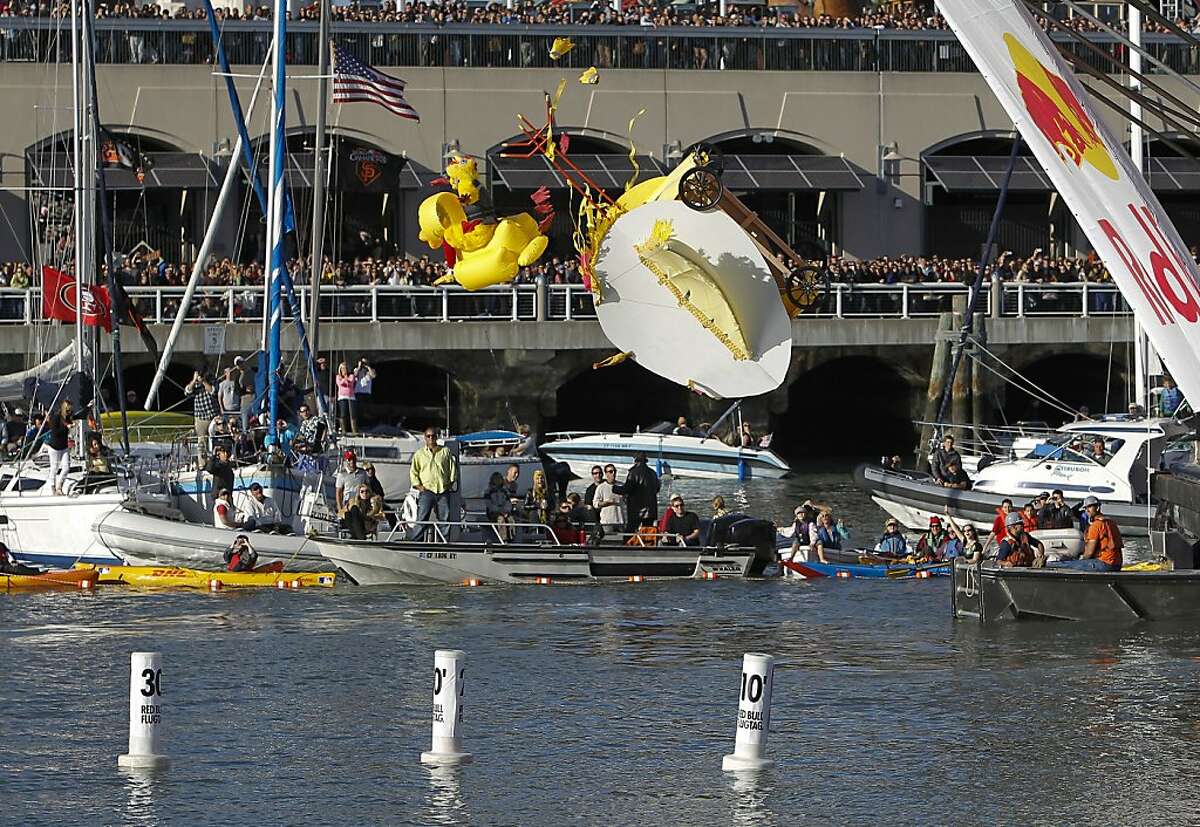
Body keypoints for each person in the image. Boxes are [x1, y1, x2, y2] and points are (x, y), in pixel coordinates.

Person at [409, 428, 456, 540]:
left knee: (444, 520)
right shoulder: (419, 454)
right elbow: (413, 472)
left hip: (442, 490)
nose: (431, 438)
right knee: (421, 518)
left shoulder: (445, 451)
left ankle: (443, 543)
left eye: (433, 436)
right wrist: (418, 486)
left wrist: (450, 483)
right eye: (428, 436)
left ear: (436, 437)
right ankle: (415, 542)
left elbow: (452, 468)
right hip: (427, 491)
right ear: (425, 438)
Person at [1052, 496, 1122, 571]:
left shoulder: (1096, 525)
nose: (1087, 510)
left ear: (1097, 508)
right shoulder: (1111, 522)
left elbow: (1089, 553)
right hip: (1117, 564)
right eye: (1085, 508)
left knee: (1067, 564)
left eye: (1089, 507)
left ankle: (1047, 565)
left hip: (1105, 564)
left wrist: (1081, 560)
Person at [621, 452, 660, 534]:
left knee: (630, 532)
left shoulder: (633, 472)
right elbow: (657, 488)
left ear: (636, 461)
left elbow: (627, 489)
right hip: (651, 510)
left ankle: (627, 546)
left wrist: (614, 488)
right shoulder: (653, 473)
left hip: (636, 510)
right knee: (647, 533)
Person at [185, 371, 219, 461]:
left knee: (216, 440)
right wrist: (194, 380)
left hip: (213, 416)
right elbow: (187, 392)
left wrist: (204, 382)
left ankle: (216, 459)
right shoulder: (194, 385)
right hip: (200, 418)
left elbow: (213, 391)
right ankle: (202, 463)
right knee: (202, 442)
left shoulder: (212, 381)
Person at [593, 463, 626, 537]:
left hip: (620, 521)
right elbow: (595, 504)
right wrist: (607, 502)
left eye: (614, 471)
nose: (613, 473)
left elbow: (628, 502)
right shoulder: (601, 487)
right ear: (606, 474)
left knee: (621, 544)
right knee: (608, 542)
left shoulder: (622, 486)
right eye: (610, 471)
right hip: (607, 522)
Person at [485, 471, 515, 541]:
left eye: (499, 478)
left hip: (504, 511)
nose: (498, 480)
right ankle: (503, 539)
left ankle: (512, 538)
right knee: (501, 519)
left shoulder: (504, 491)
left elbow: (508, 502)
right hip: (493, 513)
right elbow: (489, 505)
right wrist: (499, 511)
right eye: (496, 479)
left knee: (511, 519)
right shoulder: (488, 491)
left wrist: (506, 511)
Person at [335, 362, 357, 433]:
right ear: (340, 370)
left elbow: (351, 382)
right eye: (343, 369)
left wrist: (345, 379)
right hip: (342, 397)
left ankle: (354, 430)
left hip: (351, 397)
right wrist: (345, 379)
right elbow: (340, 383)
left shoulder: (351, 376)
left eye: (345, 369)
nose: (344, 370)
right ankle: (343, 430)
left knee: (353, 414)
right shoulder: (338, 377)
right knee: (343, 413)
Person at [353, 357, 377, 426]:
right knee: (359, 411)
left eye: (365, 363)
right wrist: (359, 366)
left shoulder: (370, 371)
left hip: (367, 393)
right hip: (358, 392)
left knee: (368, 410)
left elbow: (373, 375)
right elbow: (354, 374)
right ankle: (359, 426)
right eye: (363, 363)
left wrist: (368, 367)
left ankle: (368, 425)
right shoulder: (357, 370)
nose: (364, 364)